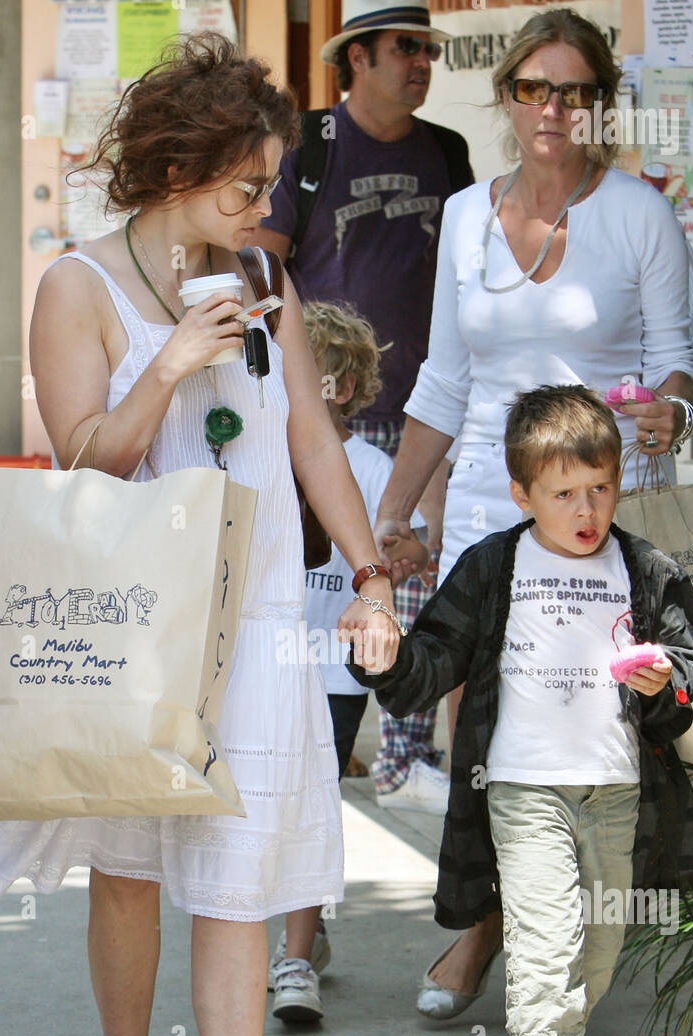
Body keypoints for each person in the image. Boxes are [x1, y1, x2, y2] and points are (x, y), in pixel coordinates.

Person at [0, 35, 402, 1036]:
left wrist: (368, 574)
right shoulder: (78, 286)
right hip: (132, 628)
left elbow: (310, 438)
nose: (266, 209)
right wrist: (165, 366)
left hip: (253, 622)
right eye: (246, 185)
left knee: (236, 876)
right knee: (128, 872)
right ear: (176, 171)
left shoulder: (268, 286)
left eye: (270, 188)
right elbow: (80, 463)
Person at [370, 7, 693, 1026]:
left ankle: (553, 960)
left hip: (592, 509)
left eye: (573, 91)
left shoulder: (637, 214)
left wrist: (670, 410)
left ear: (600, 104)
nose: (552, 109)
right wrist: (385, 519)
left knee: (589, 724)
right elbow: (442, 377)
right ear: (509, 97)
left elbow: (676, 355)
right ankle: (488, 926)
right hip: (484, 501)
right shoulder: (467, 214)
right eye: (533, 89)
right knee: (485, 738)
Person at [346, 384, 693, 1036]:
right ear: (521, 493)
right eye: (564, 494)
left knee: (600, 943)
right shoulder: (495, 567)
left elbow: (690, 669)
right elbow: (431, 660)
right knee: (545, 940)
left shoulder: (644, 568)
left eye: (602, 489)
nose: (587, 510)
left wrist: (663, 684)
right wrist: (381, 655)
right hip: (521, 790)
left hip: (617, 791)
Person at [257, 1, 473, 819]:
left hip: (423, 404)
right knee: (321, 575)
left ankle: (403, 754)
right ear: (356, 59)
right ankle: (306, 733)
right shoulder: (312, 146)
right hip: (328, 405)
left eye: (426, 49)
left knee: (417, 572)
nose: (420, 62)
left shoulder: (446, 153)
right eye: (403, 48)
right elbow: (263, 266)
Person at [269, 300, 428, 1023]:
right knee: (269, 804)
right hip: (264, 663)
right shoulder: (262, 459)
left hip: (332, 672)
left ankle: (294, 955)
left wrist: (404, 550)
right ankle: (306, 926)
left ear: (333, 386)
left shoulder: (365, 467)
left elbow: (407, 541)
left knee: (309, 799)